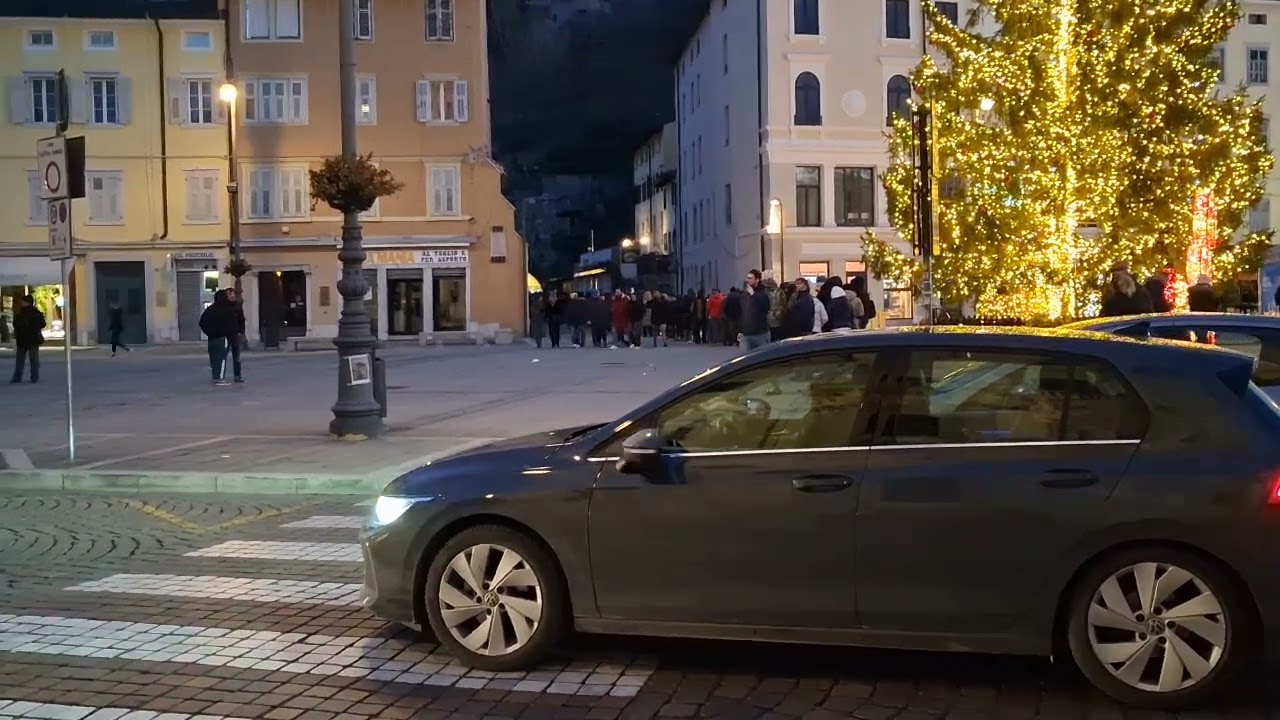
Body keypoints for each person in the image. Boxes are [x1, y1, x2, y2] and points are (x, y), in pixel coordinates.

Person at [199, 289, 240, 386]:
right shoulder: (227, 309)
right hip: (223, 337)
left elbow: (202, 322)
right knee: (222, 358)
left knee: (213, 358)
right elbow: (232, 325)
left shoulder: (210, 309)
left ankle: (215, 376)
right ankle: (219, 378)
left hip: (212, 338)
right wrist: (231, 333)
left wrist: (209, 332)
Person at [10, 294, 45, 384]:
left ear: (26, 302)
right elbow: (43, 324)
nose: (21, 303)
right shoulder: (36, 312)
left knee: (20, 360)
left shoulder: (21, 313)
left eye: (22, 301)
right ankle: (34, 377)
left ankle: (17, 377)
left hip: (22, 339)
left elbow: (16, 324)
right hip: (33, 339)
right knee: (34, 360)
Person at [739, 270, 772, 350]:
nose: (747, 280)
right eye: (747, 278)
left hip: (760, 334)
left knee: (762, 358)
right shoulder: (744, 294)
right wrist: (740, 330)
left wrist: (753, 295)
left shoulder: (763, 293)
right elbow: (742, 312)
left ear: (757, 280)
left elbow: (765, 308)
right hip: (746, 334)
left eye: (750, 278)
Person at [225, 288, 246, 383]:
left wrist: (241, 332)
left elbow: (242, 319)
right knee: (223, 356)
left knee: (236, 356)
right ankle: (220, 374)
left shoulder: (238, 306)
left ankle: (237, 375)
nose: (232, 296)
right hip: (225, 334)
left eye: (232, 294)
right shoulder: (223, 306)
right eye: (229, 294)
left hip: (235, 334)